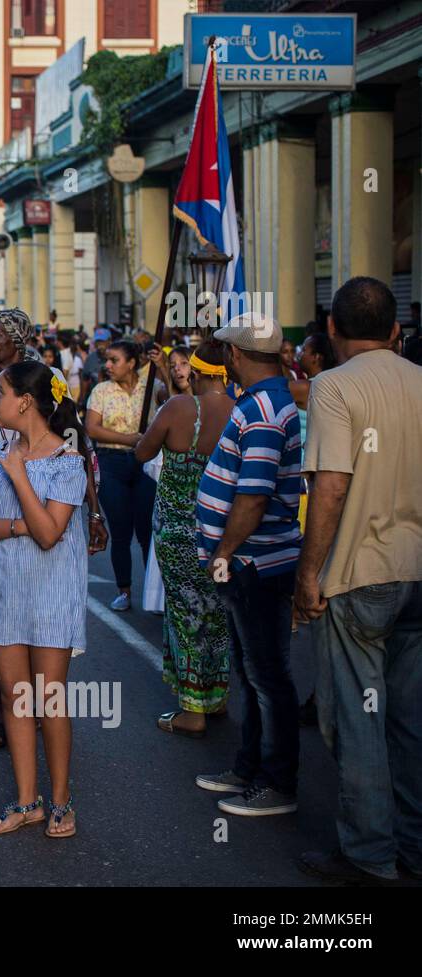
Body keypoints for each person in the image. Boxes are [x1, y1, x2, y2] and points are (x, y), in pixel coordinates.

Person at [294, 276, 422, 884]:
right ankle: (414, 845)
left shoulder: (333, 387)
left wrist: (309, 575)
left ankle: (370, 855)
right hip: (416, 570)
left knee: (358, 717)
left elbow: (332, 486)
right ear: (396, 331)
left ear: (335, 331)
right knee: (410, 717)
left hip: (361, 571)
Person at [0, 309, 108, 750]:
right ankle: (5, 712)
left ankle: (44, 741)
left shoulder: (40, 385)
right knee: (4, 630)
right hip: (1, 494)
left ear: (15, 340)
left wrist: (94, 510)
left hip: (48, 499)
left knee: (47, 676)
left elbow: (75, 444)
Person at [0, 361, 89, 839]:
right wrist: (14, 525)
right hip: (3, 591)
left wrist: (18, 476)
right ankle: (26, 801)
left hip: (53, 594)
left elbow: (50, 534)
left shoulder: (68, 461)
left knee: (49, 699)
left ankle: (61, 801)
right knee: (14, 697)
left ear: (25, 402)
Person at [193, 311, 303, 817]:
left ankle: (275, 783)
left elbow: (253, 496)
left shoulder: (263, 411)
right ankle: (248, 767)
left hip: (256, 563)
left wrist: (224, 553)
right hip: (252, 561)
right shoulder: (264, 401)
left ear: (236, 355)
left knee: (266, 675)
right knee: (252, 670)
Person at [134, 340, 234, 736]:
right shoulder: (239, 412)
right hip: (222, 531)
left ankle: (193, 708)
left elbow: (143, 453)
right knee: (218, 614)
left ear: (196, 371)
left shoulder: (178, 408)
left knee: (185, 612)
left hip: (178, 531)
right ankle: (217, 696)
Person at [86, 340, 162, 610]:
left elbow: (177, 398)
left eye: (114, 360)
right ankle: (124, 590)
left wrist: (162, 365)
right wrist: (128, 439)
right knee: (120, 530)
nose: (107, 365)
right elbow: (92, 429)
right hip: (111, 462)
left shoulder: (152, 387)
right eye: (107, 360)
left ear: (132, 363)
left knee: (146, 530)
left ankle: (154, 595)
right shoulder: (101, 391)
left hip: (145, 464)